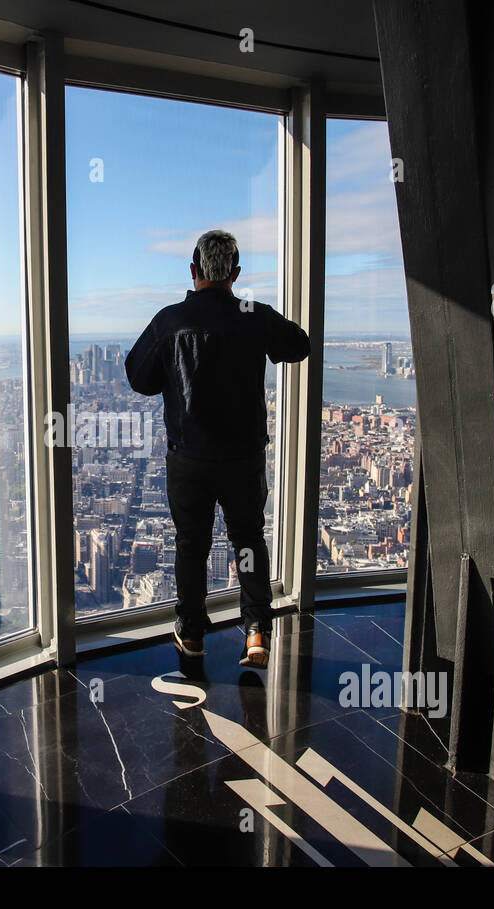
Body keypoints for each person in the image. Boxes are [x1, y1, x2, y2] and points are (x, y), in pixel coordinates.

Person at [125, 230, 310, 668]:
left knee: (191, 543)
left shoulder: (170, 319)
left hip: (189, 457)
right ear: (236, 274)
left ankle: (192, 635)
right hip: (243, 458)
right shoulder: (253, 313)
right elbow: (298, 345)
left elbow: (138, 377)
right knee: (247, 539)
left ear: (193, 272)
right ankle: (256, 632)